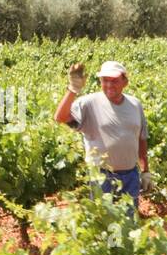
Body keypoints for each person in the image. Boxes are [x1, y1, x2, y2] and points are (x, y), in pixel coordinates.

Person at [55, 60, 154, 210]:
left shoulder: (135, 104)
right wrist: (73, 89)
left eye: (114, 81)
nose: (109, 85)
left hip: (131, 176)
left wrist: (145, 171)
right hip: (101, 178)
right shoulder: (88, 103)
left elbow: (141, 138)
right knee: (103, 226)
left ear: (125, 82)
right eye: (105, 80)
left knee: (129, 225)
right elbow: (60, 117)